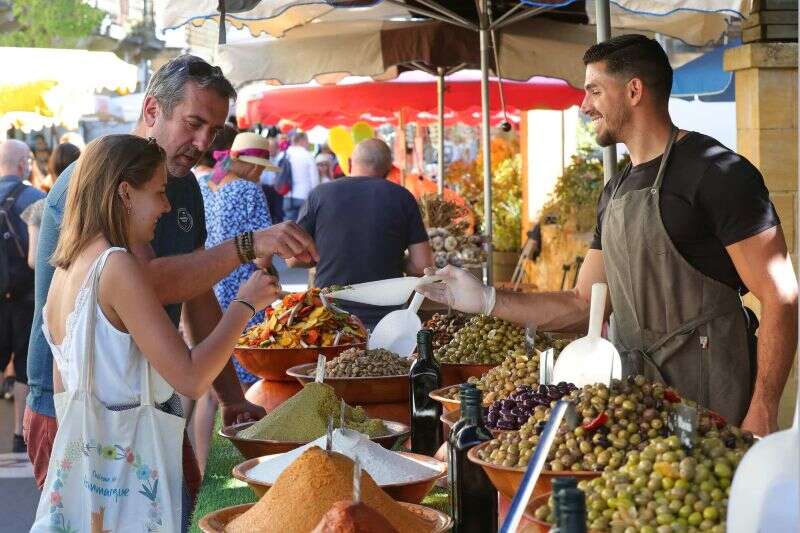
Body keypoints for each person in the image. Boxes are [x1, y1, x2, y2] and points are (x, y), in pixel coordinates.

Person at [416, 34, 797, 436]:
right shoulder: (615, 191)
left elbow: (781, 296)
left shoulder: (716, 172)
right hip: (637, 408)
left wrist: (764, 410)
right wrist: (487, 299)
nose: (584, 106)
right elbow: (583, 304)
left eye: (594, 90)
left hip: (713, 405)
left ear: (634, 90)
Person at [24, 55, 318, 507]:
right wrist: (245, 255)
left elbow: (194, 289)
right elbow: (142, 284)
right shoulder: (92, 182)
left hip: (146, 403)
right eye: (194, 122)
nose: (203, 143)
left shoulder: (183, 186)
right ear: (151, 111)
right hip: (84, 413)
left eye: (214, 131)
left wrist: (232, 395)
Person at [37, 134, 280, 530]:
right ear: (125, 194)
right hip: (133, 482)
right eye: (159, 193)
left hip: (91, 478)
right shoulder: (116, 266)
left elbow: (68, 390)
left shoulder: (66, 266)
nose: (166, 207)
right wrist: (246, 304)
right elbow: (189, 377)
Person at [194, 131, 278, 472]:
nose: (260, 175)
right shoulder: (248, 191)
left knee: (207, 386)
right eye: (259, 167)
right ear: (246, 164)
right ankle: (245, 465)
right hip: (242, 296)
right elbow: (263, 257)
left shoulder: (201, 186)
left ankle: (200, 470)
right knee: (244, 385)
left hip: (202, 293)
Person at [289, 139, 433, 329]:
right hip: (386, 316)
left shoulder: (320, 194)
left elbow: (292, 258)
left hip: (329, 313)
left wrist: (326, 255)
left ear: (350, 162)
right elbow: (421, 266)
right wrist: (395, 257)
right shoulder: (402, 197)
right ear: (389, 169)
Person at [0, 140, 45, 453]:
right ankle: (19, 435)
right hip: (25, 296)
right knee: (24, 364)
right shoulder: (35, 198)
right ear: (22, 164)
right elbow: (40, 255)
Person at [282, 131, 319, 221]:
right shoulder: (307, 156)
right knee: (302, 227)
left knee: (288, 226)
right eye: (307, 141)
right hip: (304, 195)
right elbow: (314, 179)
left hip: (287, 195)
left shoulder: (285, 154)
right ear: (302, 140)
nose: (308, 144)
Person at [260, 136, 285, 222]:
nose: (270, 150)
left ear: (277, 148)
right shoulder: (263, 158)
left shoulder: (281, 158)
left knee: (277, 212)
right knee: (267, 210)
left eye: (272, 148)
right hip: (265, 187)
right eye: (268, 148)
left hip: (276, 188)